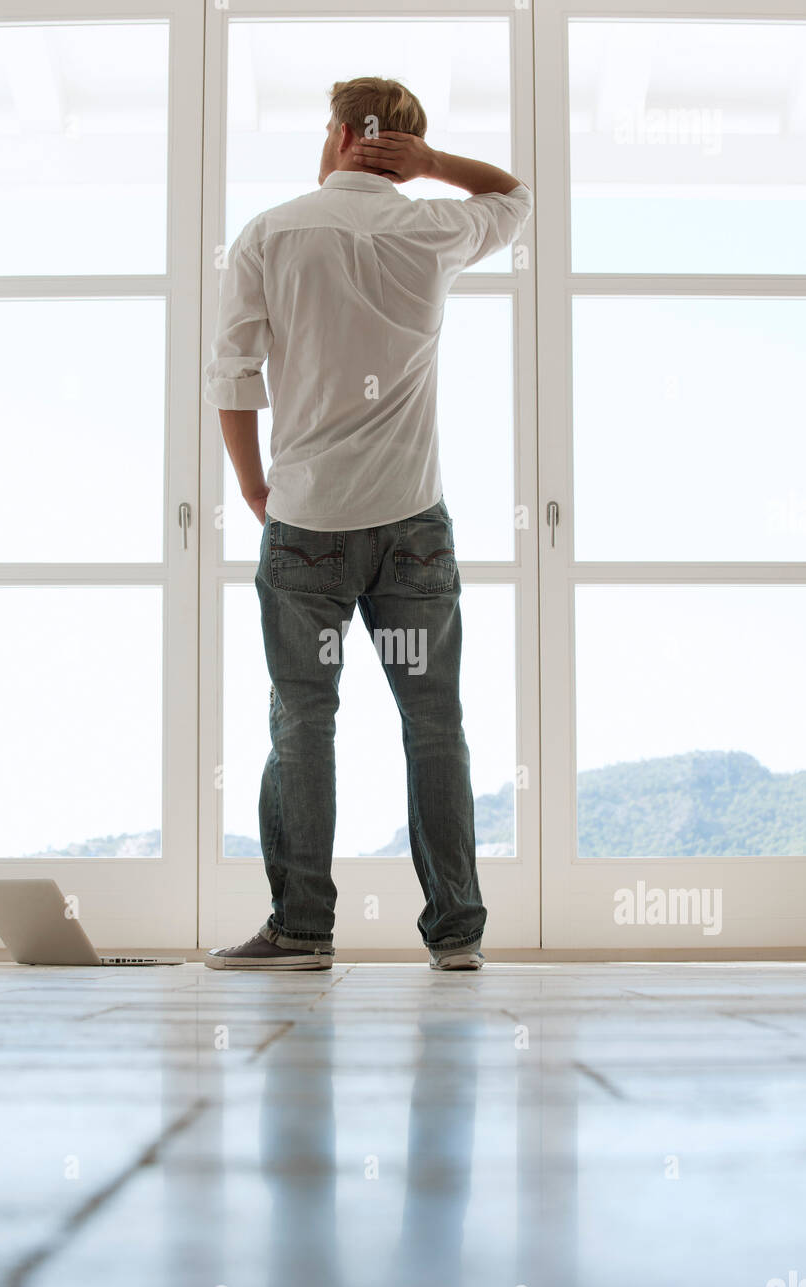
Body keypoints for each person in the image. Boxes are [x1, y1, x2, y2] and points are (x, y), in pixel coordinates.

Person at [203, 76, 533, 972]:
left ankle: (302, 930)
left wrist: (254, 486)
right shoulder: (434, 228)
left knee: (302, 721)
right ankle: (455, 937)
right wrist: (431, 167)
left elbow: (233, 375)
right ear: (397, 147)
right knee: (433, 722)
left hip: (307, 521)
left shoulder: (273, 230)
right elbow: (515, 198)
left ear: (342, 133)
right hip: (412, 528)